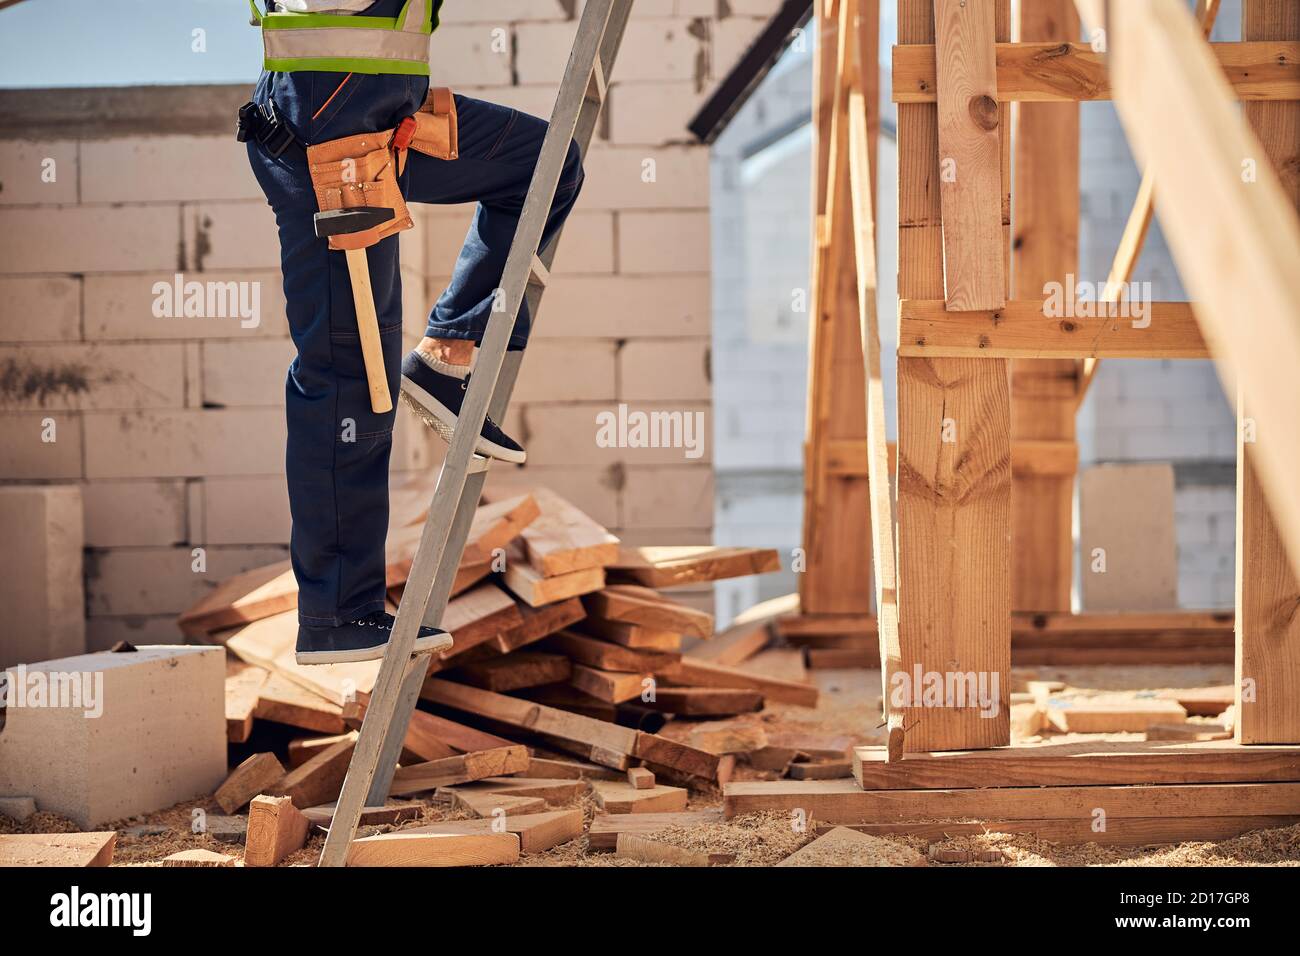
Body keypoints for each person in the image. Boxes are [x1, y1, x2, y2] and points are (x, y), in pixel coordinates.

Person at [241, 0, 584, 663]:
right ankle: (336, 614)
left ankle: (445, 353)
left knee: (544, 164)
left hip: (383, 116)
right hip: (328, 141)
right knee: (348, 378)